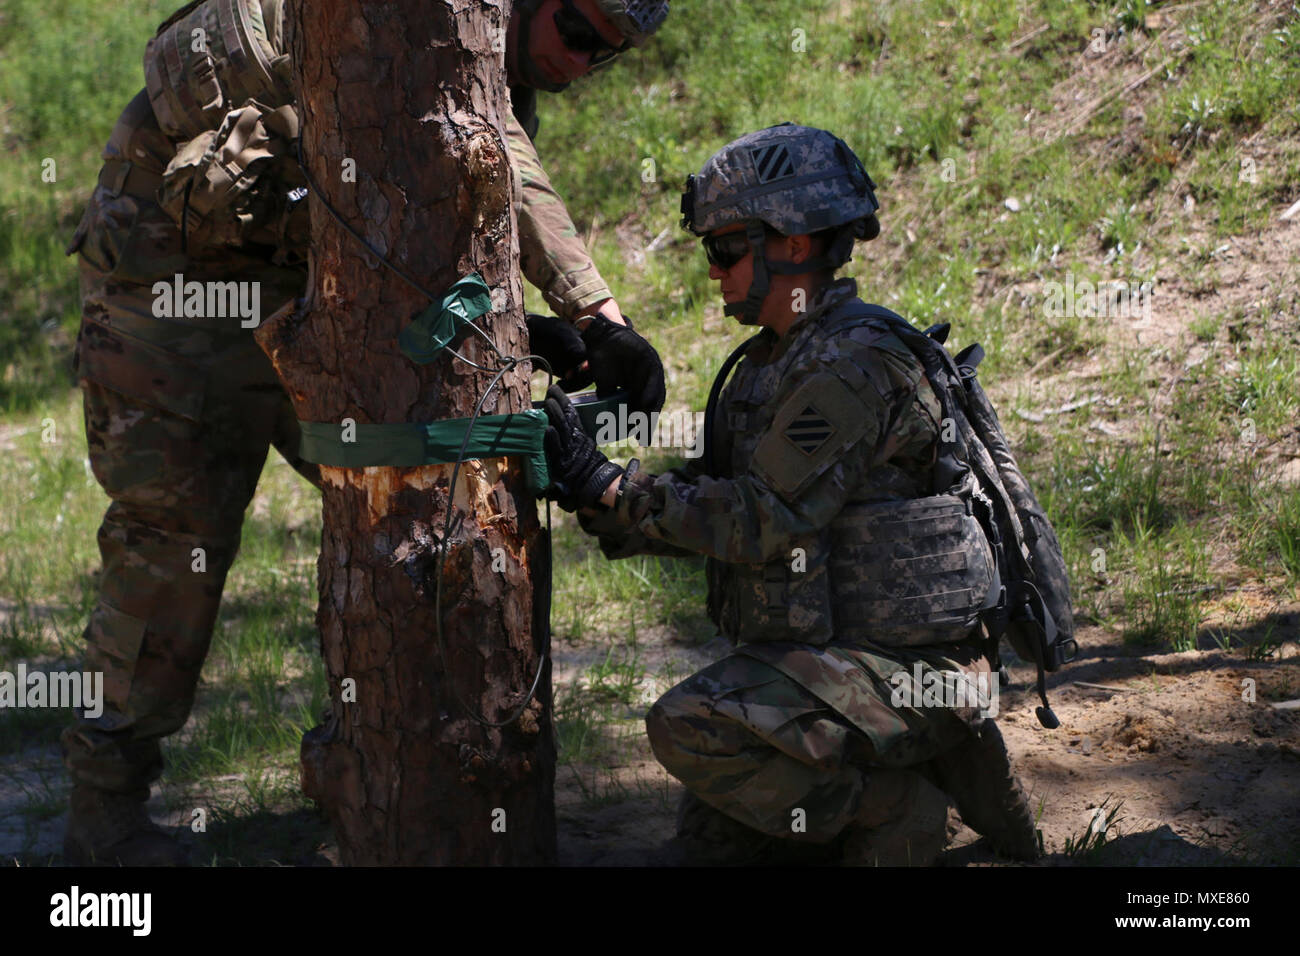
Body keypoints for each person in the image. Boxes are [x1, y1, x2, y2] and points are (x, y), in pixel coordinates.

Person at [61, 0, 670, 866]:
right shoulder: (392, 20)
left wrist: (588, 318)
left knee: (429, 506)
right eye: (577, 35)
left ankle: (401, 773)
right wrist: (557, 312)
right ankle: (104, 813)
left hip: (327, 300)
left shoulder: (480, 61)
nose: (579, 65)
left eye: (605, 57)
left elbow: (484, 168)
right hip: (173, 297)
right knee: (172, 544)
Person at [542, 122, 1042, 865]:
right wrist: (606, 502)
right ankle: (882, 780)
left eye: (725, 248)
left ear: (794, 245)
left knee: (691, 726)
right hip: (846, 665)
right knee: (709, 846)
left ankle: (895, 806)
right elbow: (725, 501)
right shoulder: (772, 365)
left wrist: (610, 485)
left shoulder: (852, 365)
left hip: (911, 677)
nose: (714, 271)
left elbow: (759, 521)